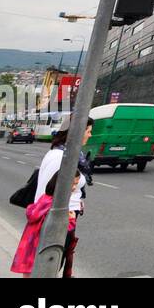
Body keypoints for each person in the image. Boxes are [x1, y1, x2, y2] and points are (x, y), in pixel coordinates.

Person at [36, 118, 92, 277]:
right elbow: (49, 190)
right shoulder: (61, 158)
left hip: (65, 216)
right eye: (88, 131)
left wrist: (78, 201)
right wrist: (60, 215)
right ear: (77, 133)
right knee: (52, 261)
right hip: (59, 217)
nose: (90, 135)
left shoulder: (67, 155)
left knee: (58, 259)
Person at [12, 173, 81, 277]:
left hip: (30, 247)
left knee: (28, 275)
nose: (74, 187)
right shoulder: (54, 205)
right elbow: (60, 229)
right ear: (61, 184)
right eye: (72, 184)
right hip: (41, 248)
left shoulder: (45, 198)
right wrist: (71, 219)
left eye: (76, 184)